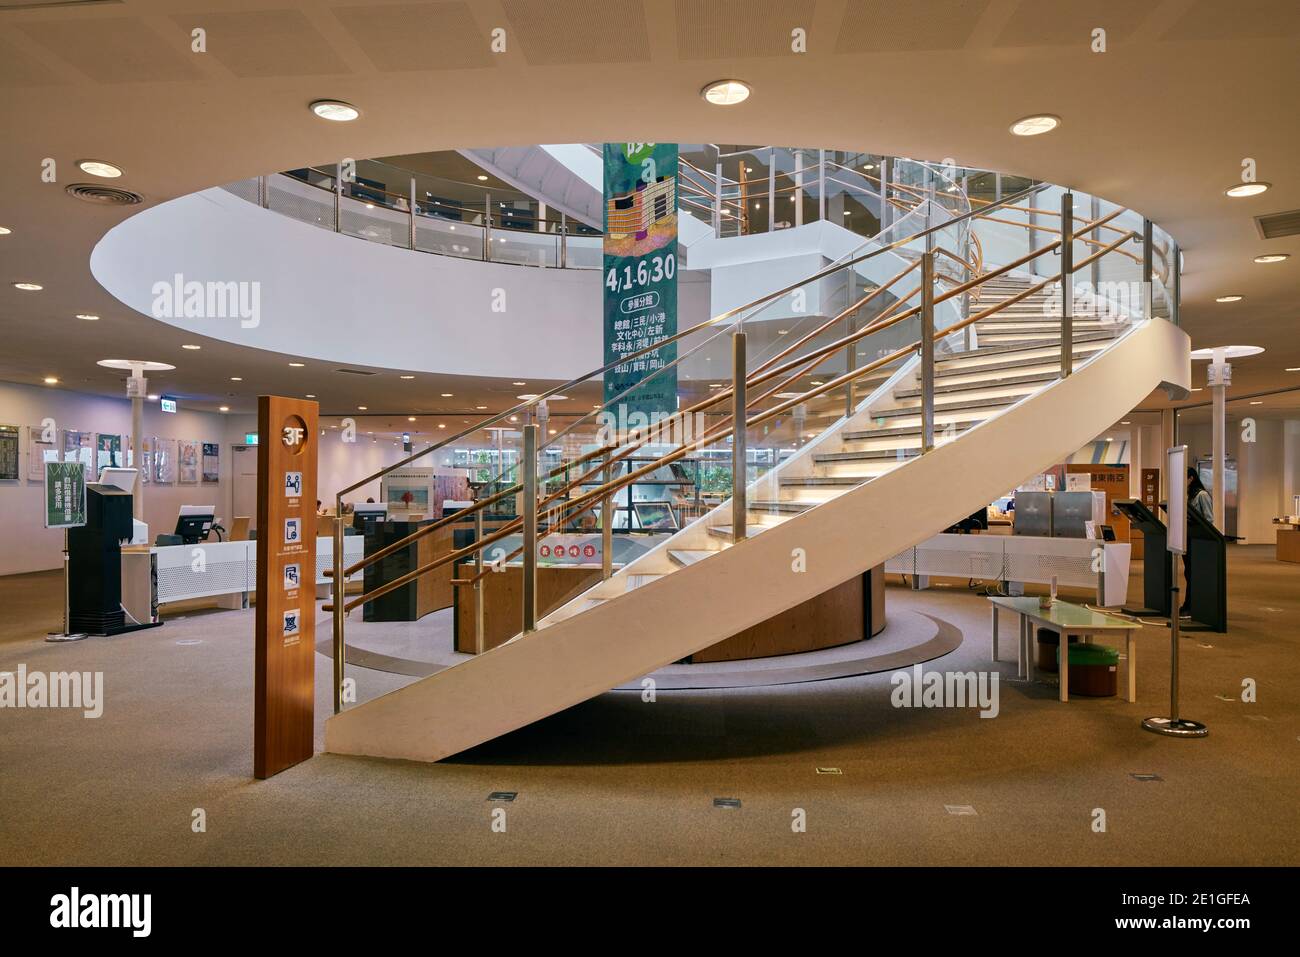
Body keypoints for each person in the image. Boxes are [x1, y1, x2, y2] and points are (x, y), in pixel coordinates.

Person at [1181, 468, 1214, 616]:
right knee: (1188, 573)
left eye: (1184, 478)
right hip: (1188, 539)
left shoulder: (1202, 495)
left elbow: (1208, 519)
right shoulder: (1189, 496)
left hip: (1198, 541)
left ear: (1191, 478)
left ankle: (1192, 605)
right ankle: (1188, 604)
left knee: (1193, 574)